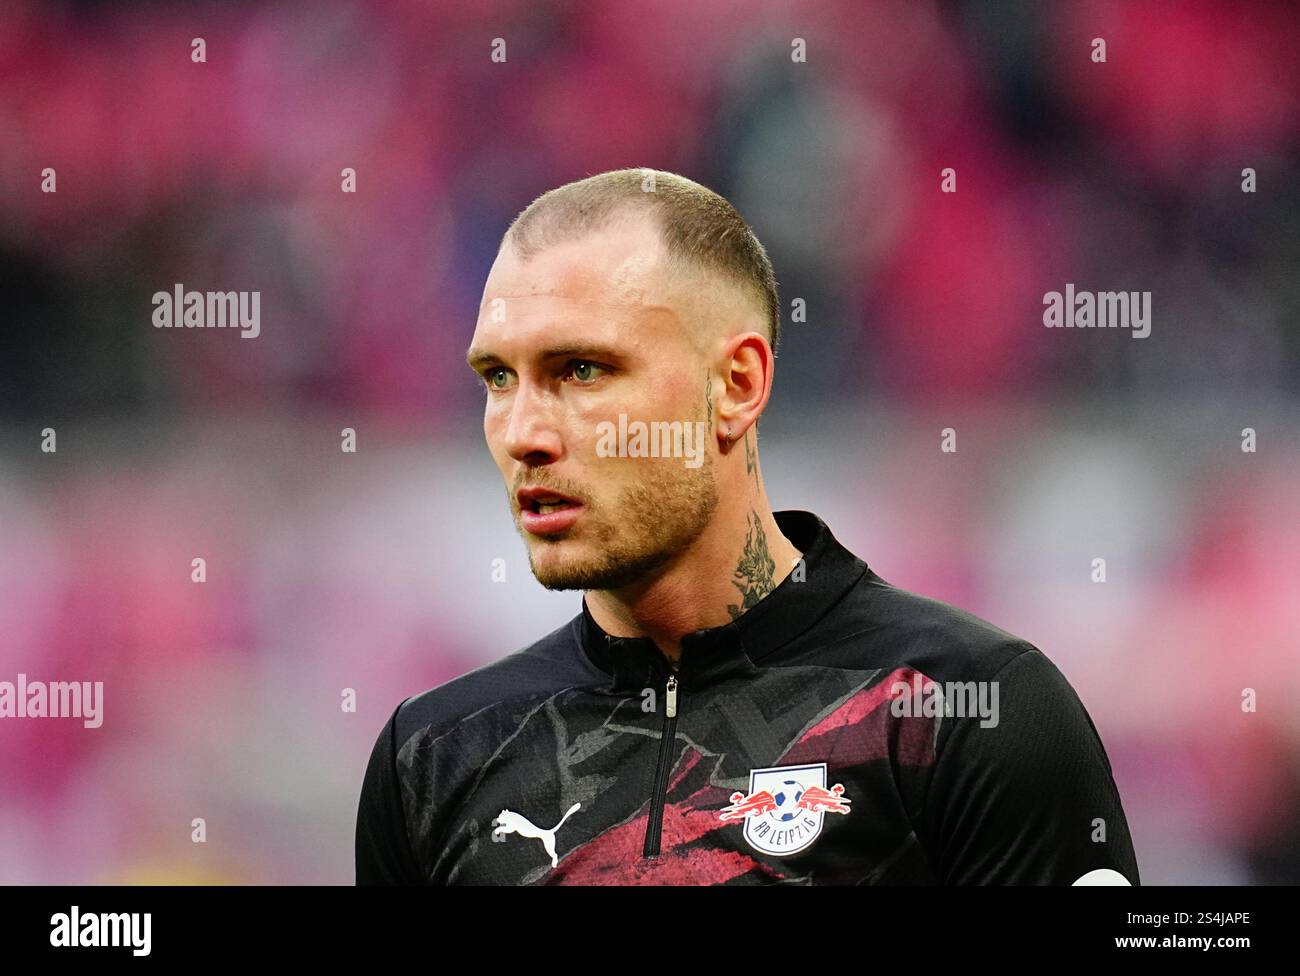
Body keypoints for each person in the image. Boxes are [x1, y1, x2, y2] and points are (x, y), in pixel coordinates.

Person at [355, 168, 1140, 885]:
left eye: (582, 371)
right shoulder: (433, 755)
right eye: (498, 377)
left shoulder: (966, 709)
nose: (524, 431)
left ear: (736, 386)